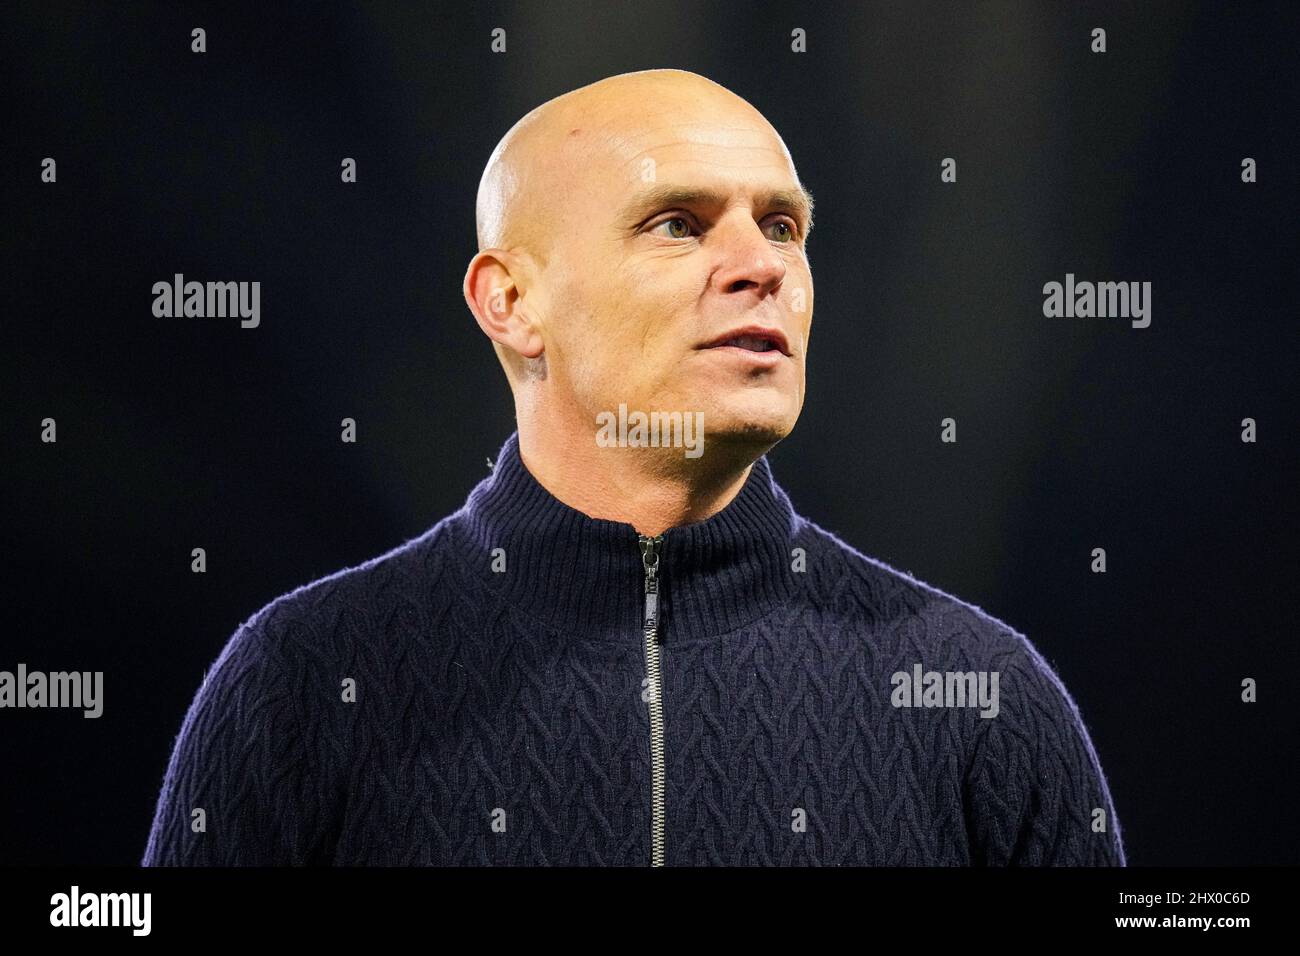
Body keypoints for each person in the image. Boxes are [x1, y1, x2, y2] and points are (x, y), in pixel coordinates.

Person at [142, 68, 1125, 866]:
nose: (762, 265)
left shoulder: (978, 694)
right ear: (512, 303)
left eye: (782, 225)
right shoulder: (305, 678)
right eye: (678, 223)